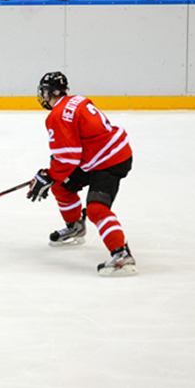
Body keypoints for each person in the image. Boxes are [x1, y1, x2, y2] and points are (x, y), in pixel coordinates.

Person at [27, 71, 136, 277]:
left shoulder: (56, 116)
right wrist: (52, 176)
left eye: (44, 92)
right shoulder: (77, 100)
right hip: (99, 155)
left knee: (96, 209)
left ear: (49, 93)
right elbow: (74, 149)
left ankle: (121, 255)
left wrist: (49, 175)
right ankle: (76, 226)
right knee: (61, 186)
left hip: (110, 161)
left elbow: (68, 157)